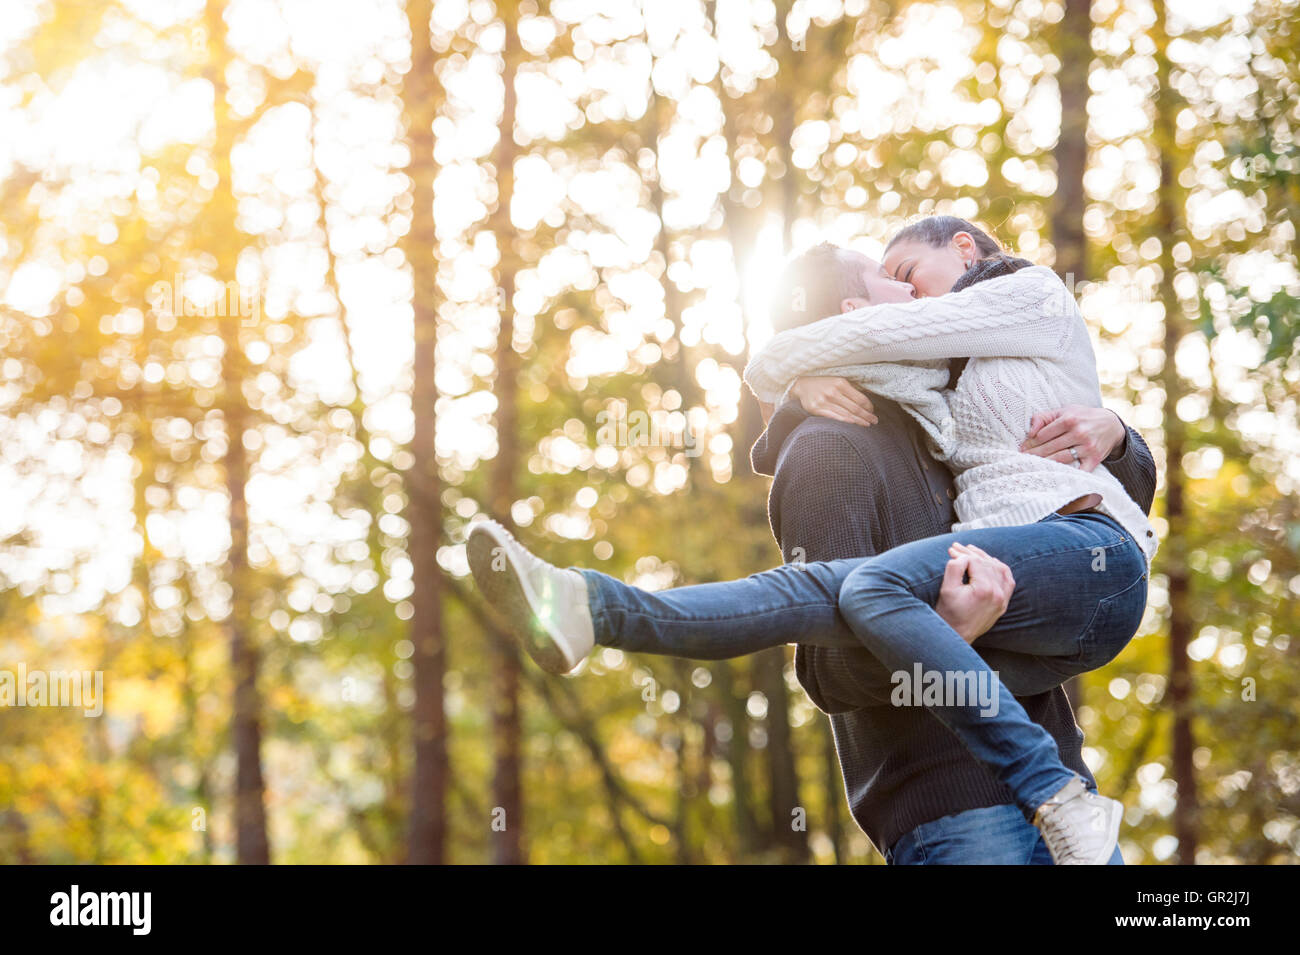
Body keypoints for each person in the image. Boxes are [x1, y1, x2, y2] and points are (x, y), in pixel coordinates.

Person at [467, 216, 1158, 864]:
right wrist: (951, 632)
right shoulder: (831, 452)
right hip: (956, 808)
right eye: (895, 280)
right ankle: (589, 607)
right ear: (860, 317)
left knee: (849, 586)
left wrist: (1118, 434)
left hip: (1062, 779)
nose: (914, 292)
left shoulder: (941, 415)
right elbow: (827, 674)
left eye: (910, 272)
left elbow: (1082, 504)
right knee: (834, 590)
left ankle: (594, 607)